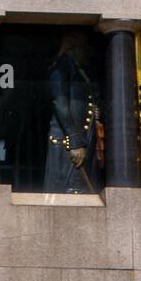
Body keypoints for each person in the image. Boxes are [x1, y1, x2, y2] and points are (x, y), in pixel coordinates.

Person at [43, 30, 104, 194]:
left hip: (82, 141)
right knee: (69, 188)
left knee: (80, 188)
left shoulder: (79, 70)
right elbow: (60, 103)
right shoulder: (61, 68)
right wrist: (75, 141)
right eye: (83, 47)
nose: (86, 52)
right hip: (68, 141)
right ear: (74, 48)